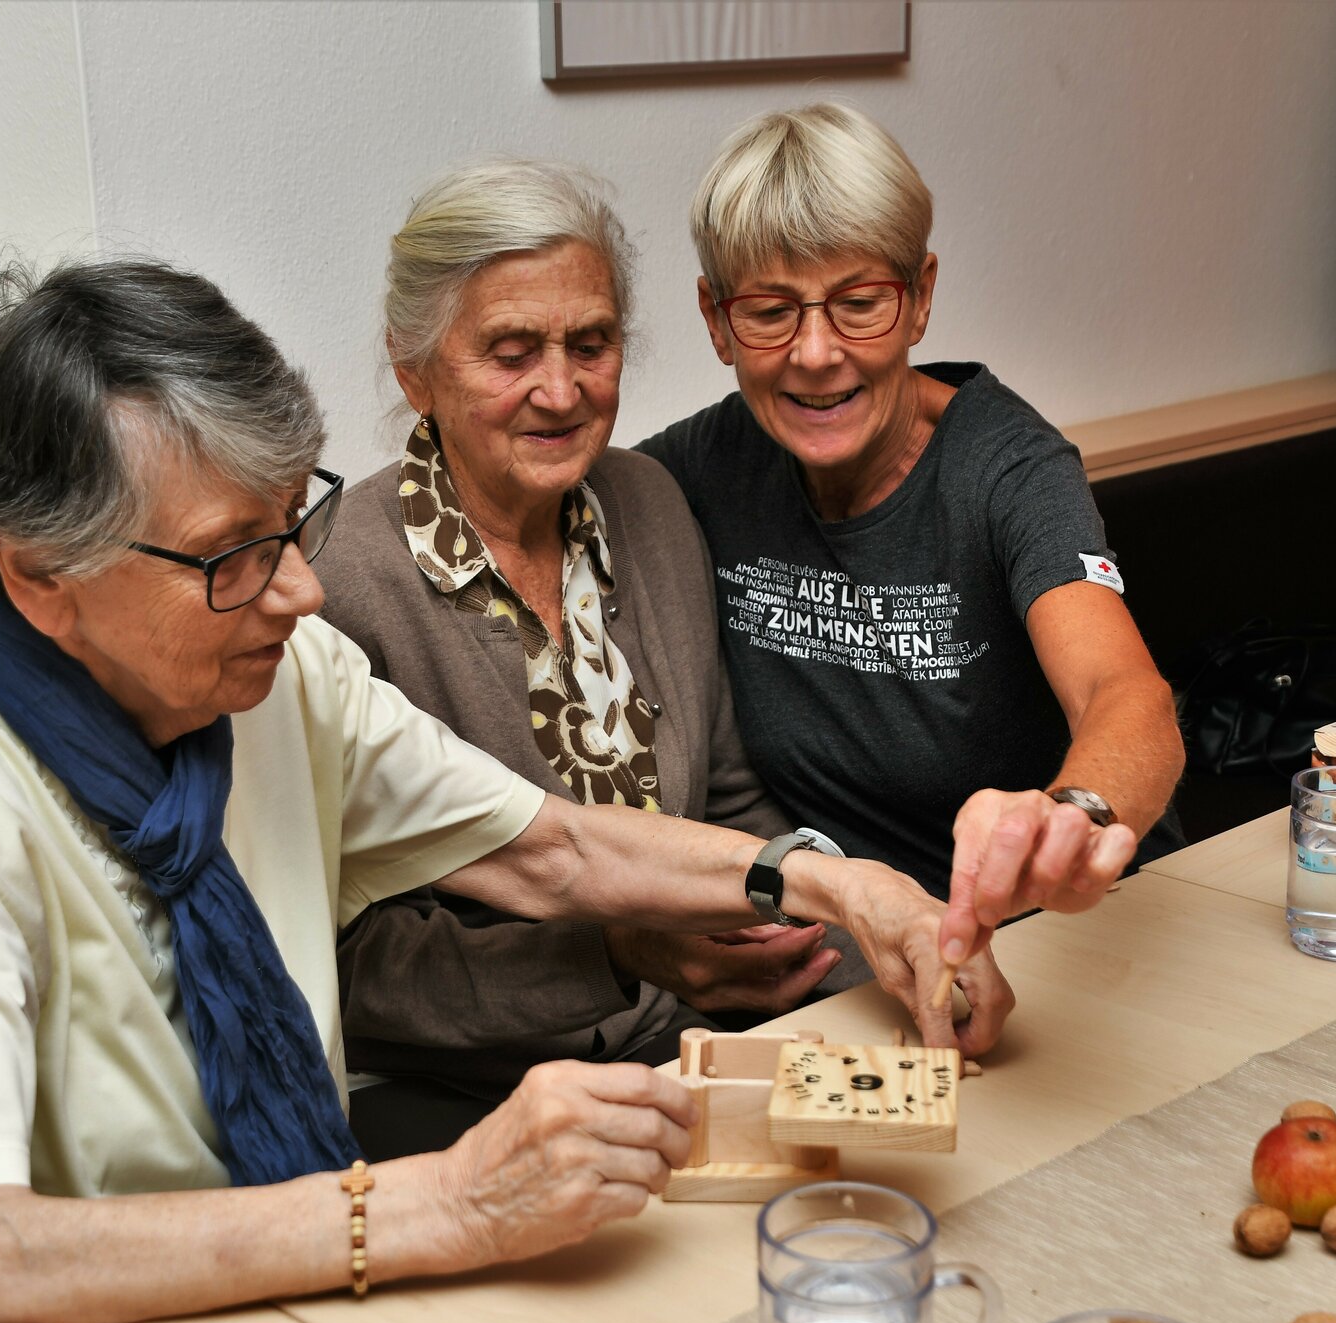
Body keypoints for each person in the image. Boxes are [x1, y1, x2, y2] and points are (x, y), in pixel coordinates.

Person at [0, 259, 1008, 1323]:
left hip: (246, 1304)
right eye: (229, 554)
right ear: (43, 576)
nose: (301, 591)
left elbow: (554, 848)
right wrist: (435, 1203)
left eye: (292, 518)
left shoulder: (265, 667)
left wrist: (836, 884)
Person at [318, 162, 1007, 1151]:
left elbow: (728, 806)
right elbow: (348, 964)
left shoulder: (647, 504)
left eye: (589, 344)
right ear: (413, 366)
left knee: (971, 1150)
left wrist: (882, 958)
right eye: (510, 352)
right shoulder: (339, 578)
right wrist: (622, 957)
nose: (560, 390)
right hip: (479, 1104)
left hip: (705, 1048)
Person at [638, 103, 1187, 952]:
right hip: (870, 954)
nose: (816, 352)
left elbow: (1128, 698)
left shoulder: (1007, 467)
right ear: (717, 320)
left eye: (861, 303)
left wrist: (1068, 817)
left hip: (1074, 937)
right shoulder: (705, 465)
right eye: (771, 312)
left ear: (922, 297)